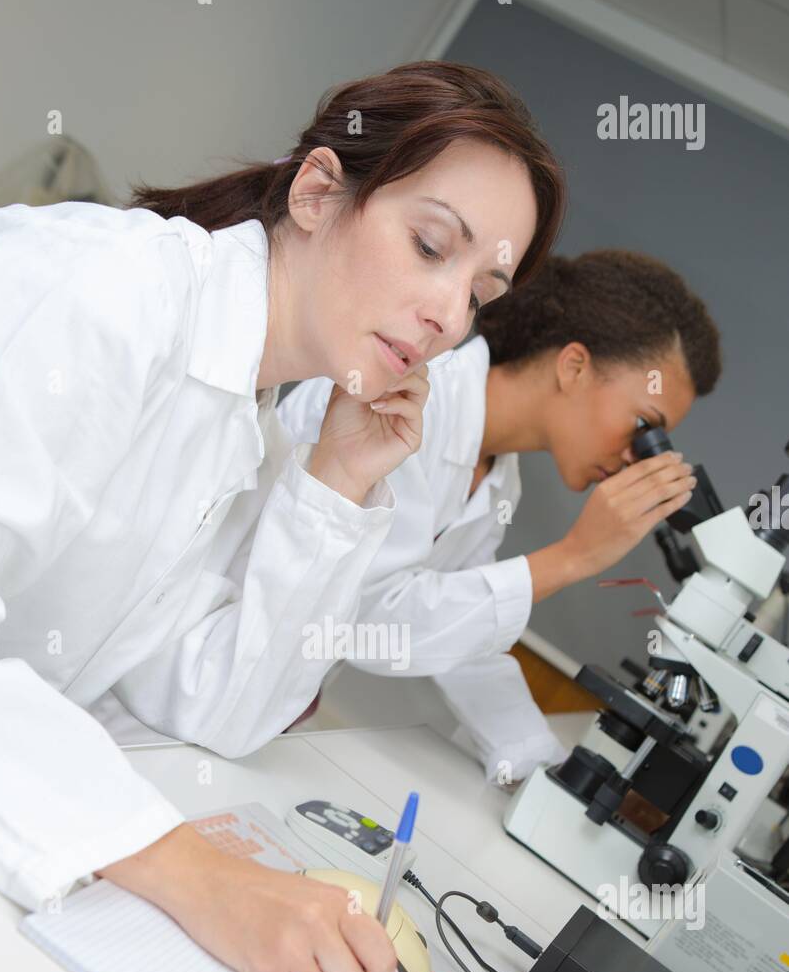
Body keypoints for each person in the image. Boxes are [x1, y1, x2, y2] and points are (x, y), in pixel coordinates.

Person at [0, 60, 564, 972]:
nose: (447, 317)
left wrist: (339, 482)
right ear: (316, 193)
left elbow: (213, 705)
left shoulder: (253, 422)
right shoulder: (109, 295)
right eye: (433, 245)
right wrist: (199, 878)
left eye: (482, 293)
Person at [277, 249, 720, 783]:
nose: (637, 455)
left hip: (268, 708)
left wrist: (542, 766)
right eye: (644, 425)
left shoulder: (495, 475)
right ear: (574, 366)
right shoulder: (407, 402)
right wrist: (573, 558)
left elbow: (466, 638)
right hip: (184, 679)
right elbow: (364, 622)